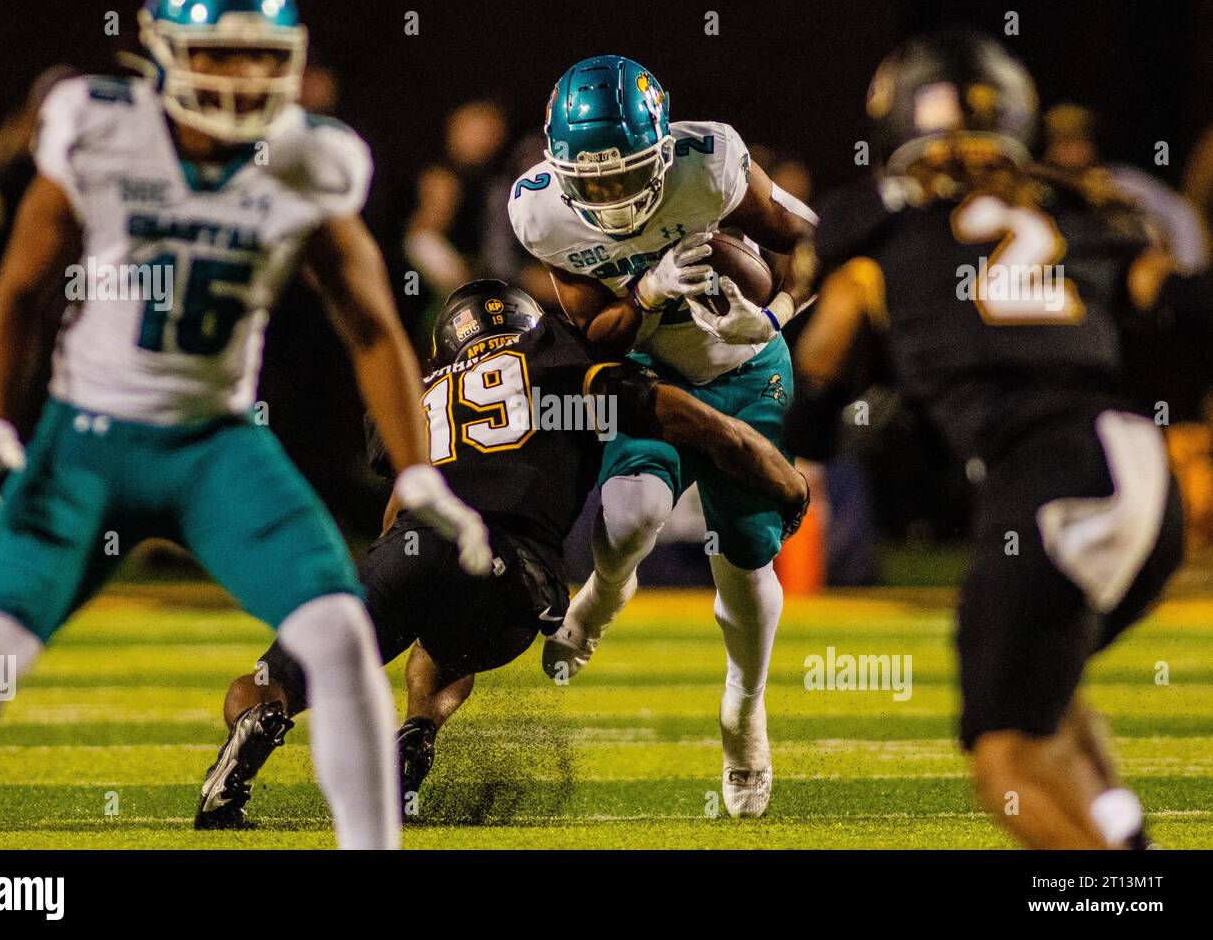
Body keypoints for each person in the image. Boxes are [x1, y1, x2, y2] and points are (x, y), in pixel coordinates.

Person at [0, 0, 490, 852]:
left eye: (265, 54)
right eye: (225, 52)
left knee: (338, 634)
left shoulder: (304, 158)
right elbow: (22, 291)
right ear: (167, 56)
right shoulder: (100, 131)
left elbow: (371, 320)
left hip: (219, 448)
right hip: (87, 445)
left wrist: (413, 467)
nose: (248, 74)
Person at [194, 279, 811, 828]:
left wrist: (392, 568)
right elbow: (694, 422)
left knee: (274, 679)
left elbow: (401, 502)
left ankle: (256, 734)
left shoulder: (416, 390)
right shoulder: (560, 361)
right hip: (515, 575)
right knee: (451, 641)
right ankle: (418, 731)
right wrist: (783, 479)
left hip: (414, 543)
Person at [796, 30, 1191, 848]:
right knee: (1045, 695)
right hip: (1140, 466)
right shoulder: (1081, 203)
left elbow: (816, 385)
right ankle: (1126, 839)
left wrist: (803, 420)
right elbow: (1176, 302)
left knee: (1002, 755)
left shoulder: (872, 231)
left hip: (1055, 477)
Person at [507, 55, 817, 816]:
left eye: (626, 175)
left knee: (743, 564)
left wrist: (773, 315)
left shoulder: (707, 167)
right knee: (631, 514)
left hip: (746, 369)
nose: (611, 195)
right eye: (594, 180)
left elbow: (815, 248)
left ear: (661, 148)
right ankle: (605, 593)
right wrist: (645, 293)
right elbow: (596, 335)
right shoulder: (542, 211)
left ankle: (744, 712)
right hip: (652, 370)